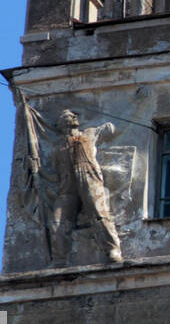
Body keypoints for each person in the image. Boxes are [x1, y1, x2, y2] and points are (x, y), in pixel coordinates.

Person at [51, 109, 124, 264]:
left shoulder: (89, 133)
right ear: (60, 124)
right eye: (65, 117)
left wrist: (108, 126)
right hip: (68, 187)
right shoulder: (58, 147)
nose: (70, 118)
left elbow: (111, 129)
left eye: (71, 116)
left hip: (89, 178)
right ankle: (59, 259)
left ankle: (112, 249)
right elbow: (54, 172)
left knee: (99, 213)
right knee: (57, 222)